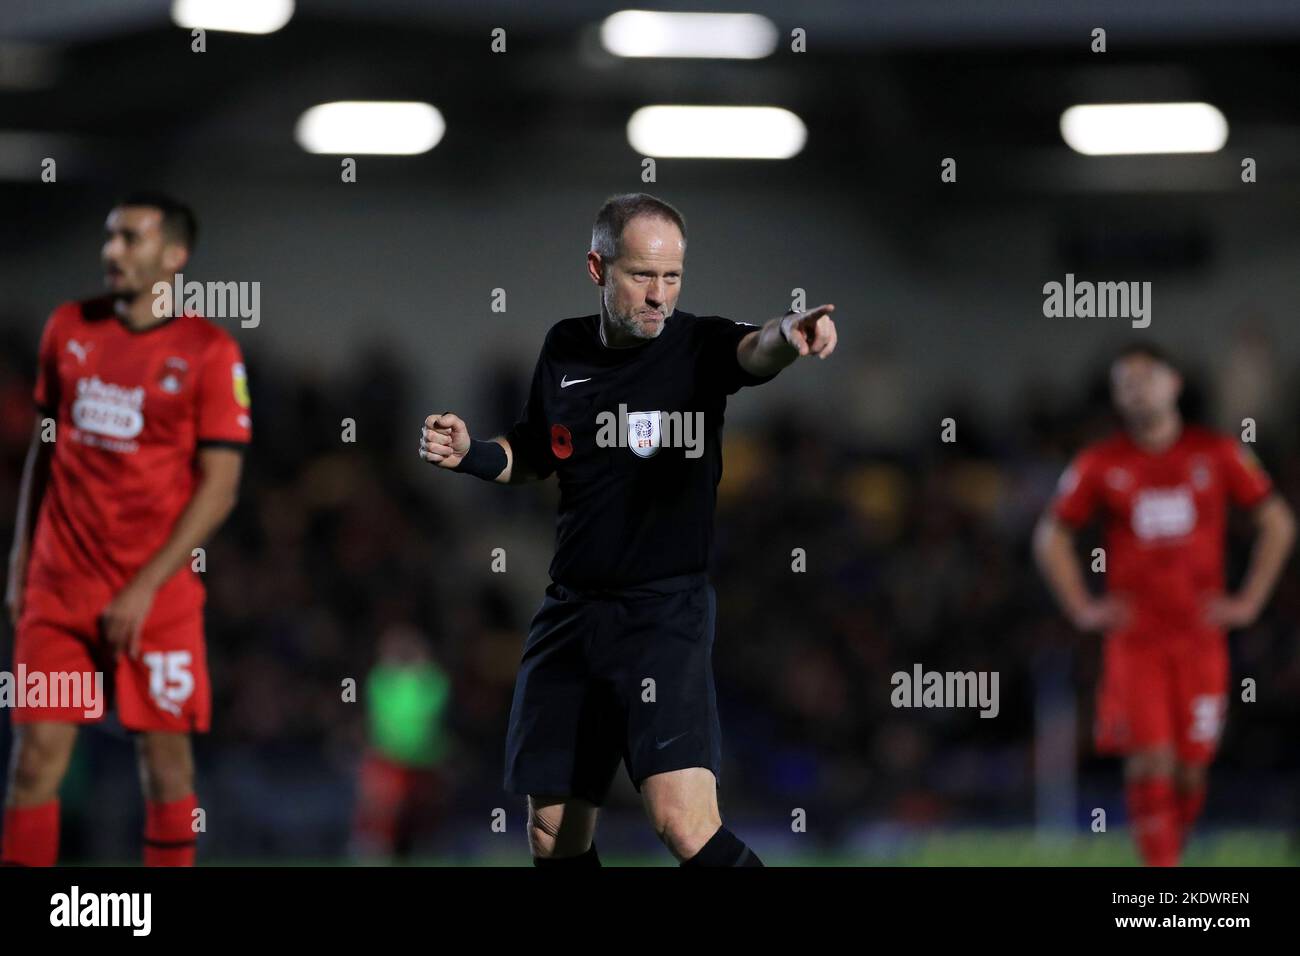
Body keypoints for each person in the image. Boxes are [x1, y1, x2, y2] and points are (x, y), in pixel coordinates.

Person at [419, 192, 837, 866]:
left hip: (661, 615)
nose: (659, 296)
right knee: (554, 831)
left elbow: (754, 348)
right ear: (597, 267)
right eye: (643, 274)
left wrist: (789, 334)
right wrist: (470, 453)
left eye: (672, 277)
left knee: (682, 822)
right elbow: (535, 452)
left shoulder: (698, 346)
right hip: (572, 615)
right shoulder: (564, 347)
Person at [2, 194, 250, 866]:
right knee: (34, 765)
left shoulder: (208, 350)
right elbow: (44, 453)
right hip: (60, 592)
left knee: (167, 772)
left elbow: (220, 487)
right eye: (110, 236)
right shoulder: (68, 329)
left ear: (174, 255)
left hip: (159, 599)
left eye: (131, 238)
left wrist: (144, 587)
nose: (112, 251)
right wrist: (21, 562)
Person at [1033, 343, 1294, 866]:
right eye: (1124, 382)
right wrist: (1083, 607)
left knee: (1190, 770)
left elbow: (1278, 522)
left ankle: (1168, 859)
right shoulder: (1101, 463)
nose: (1136, 389)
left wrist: (1249, 602)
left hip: (1200, 639)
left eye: (1145, 377)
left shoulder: (1218, 454)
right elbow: (1050, 536)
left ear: (1173, 384)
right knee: (1150, 761)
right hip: (1136, 641)